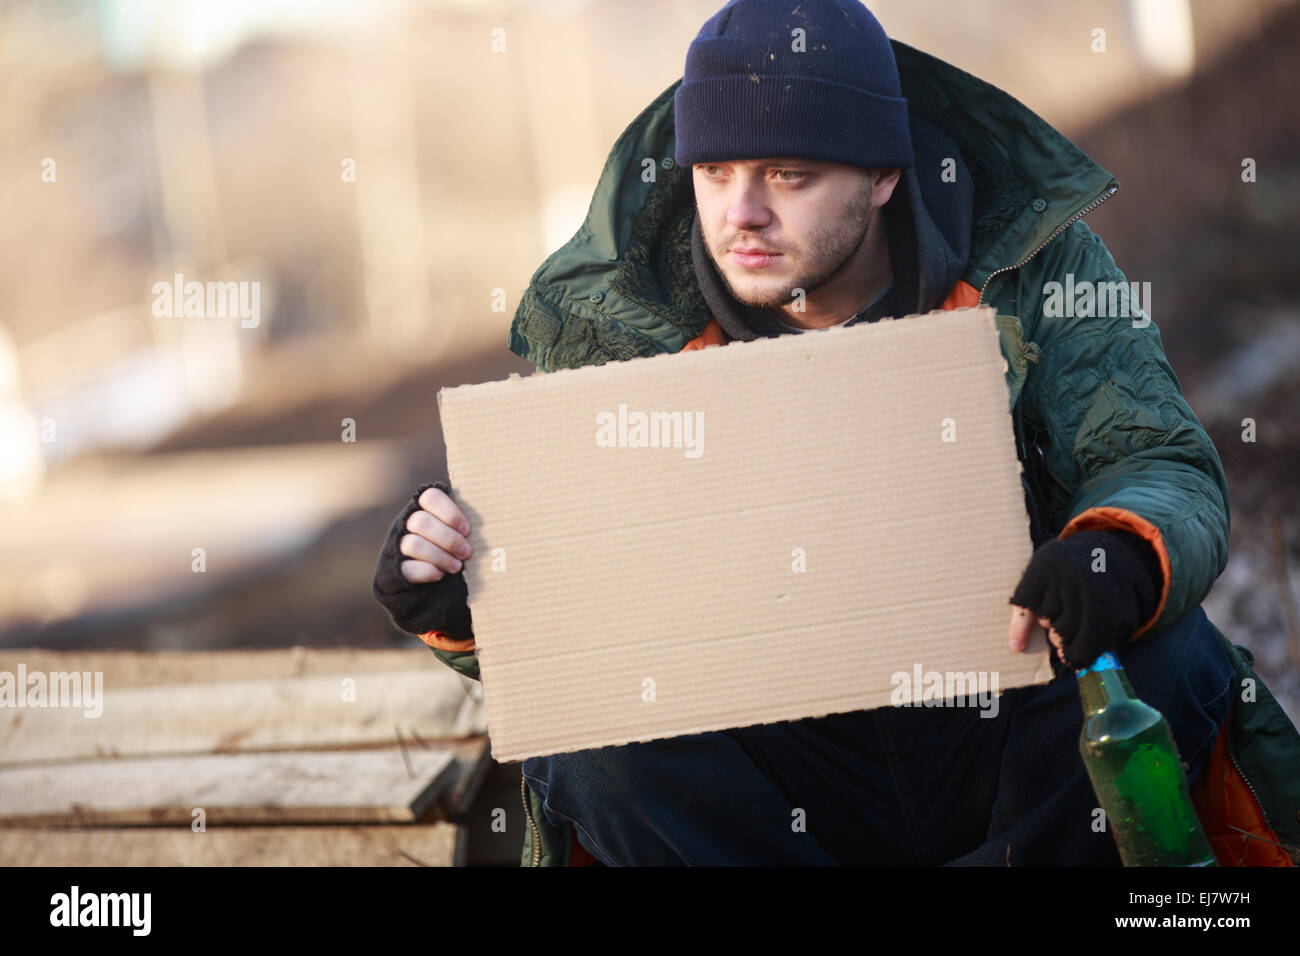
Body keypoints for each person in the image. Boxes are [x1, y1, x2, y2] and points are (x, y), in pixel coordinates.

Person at [373, 0, 1300, 866]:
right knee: (597, 751)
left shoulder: (1027, 266)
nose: (741, 214)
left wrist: (1111, 552)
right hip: (774, 765)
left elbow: (1154, 457)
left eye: (789, 174)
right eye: (714, 173)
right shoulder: (629, 337)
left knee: (1168, 658)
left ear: (885, 174)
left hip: (1002, 717)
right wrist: (469, 611)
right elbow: (593, 639)